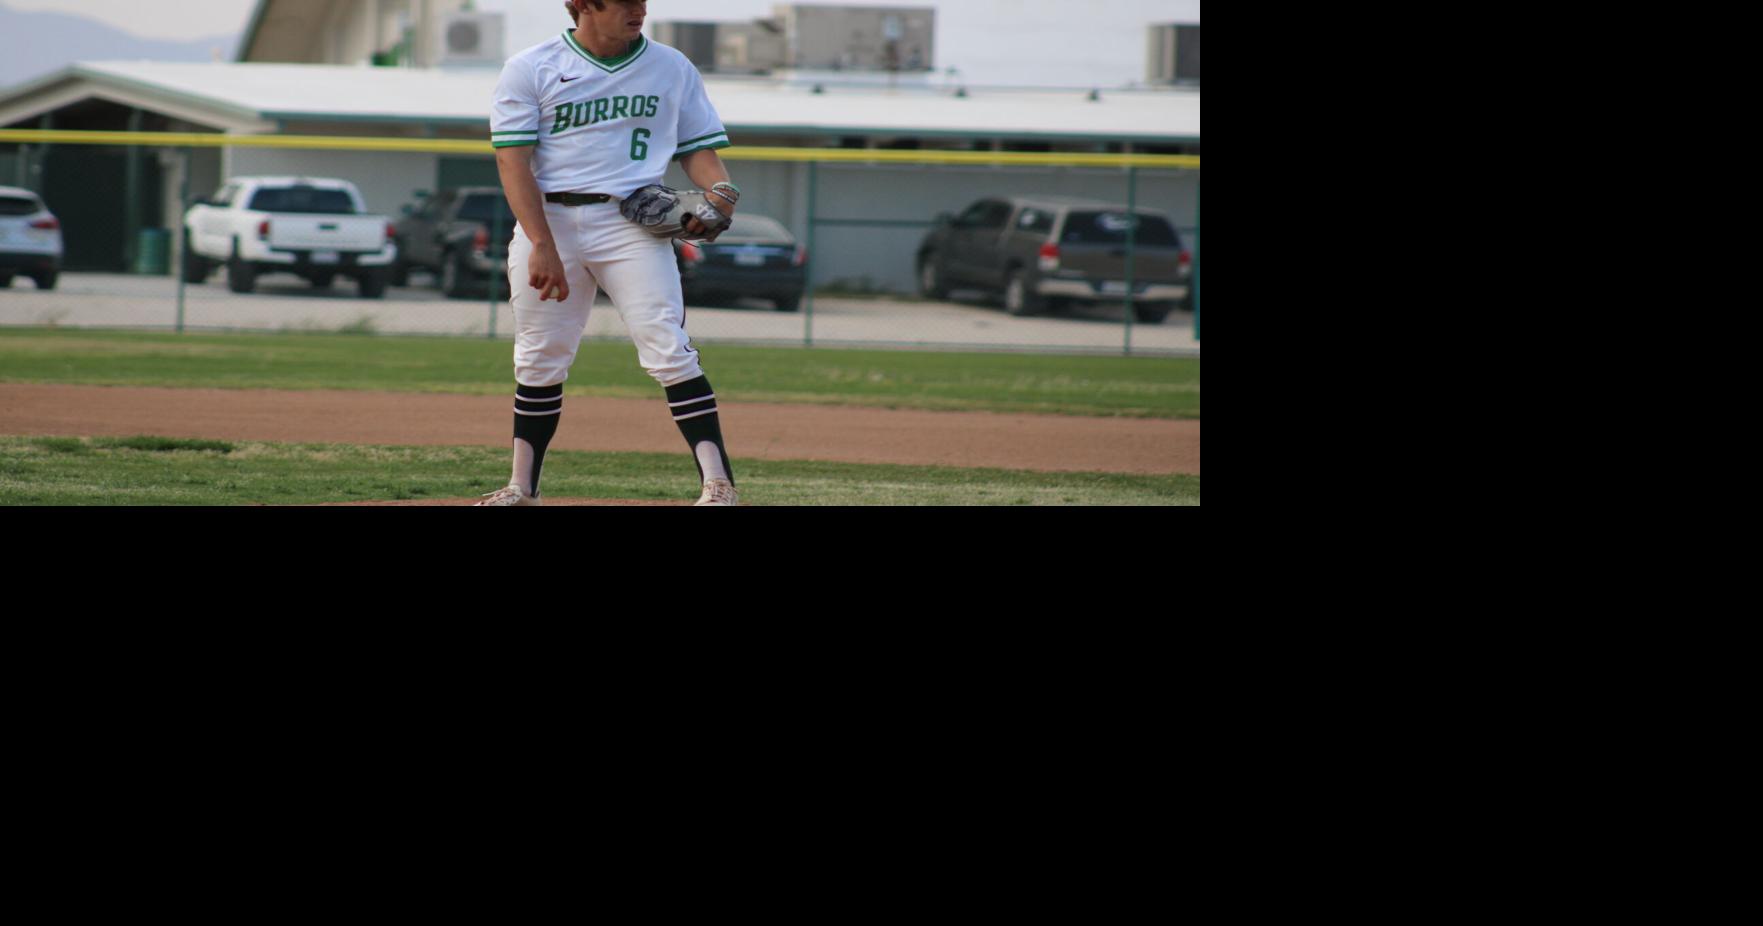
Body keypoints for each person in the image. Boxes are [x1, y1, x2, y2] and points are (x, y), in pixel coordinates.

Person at [477, 0, 741, 506]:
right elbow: (514, 163)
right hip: (549, 220)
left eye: (641, 1)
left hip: (632, 224)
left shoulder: (671, 66)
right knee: (539, 358)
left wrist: (721, 194)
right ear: (583, 5)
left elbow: (697, 150)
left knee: (667, 346)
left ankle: (718, 484)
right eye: (624, 2)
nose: (638, 10)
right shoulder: (532, 66)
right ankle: (521, 487)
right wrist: (542, 245)